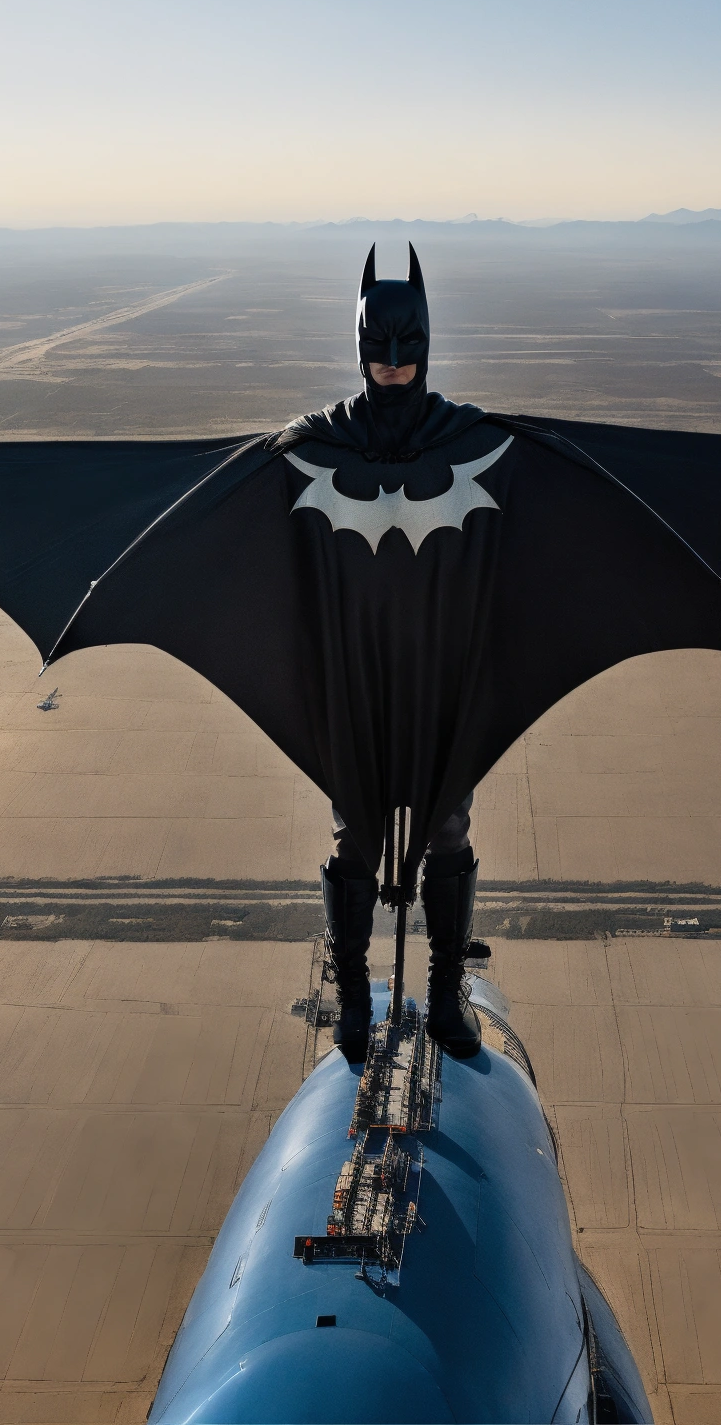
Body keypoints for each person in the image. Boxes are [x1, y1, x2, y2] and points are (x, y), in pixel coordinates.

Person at [313, 250, 484, 1065]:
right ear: (358, 349)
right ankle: (352, 995)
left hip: (441, 676)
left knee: (446, 825)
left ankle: (445, 989)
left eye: (405, 349)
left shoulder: (470, 441)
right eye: (378, 351)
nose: (391, 367)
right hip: (357, 680)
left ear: (426, 346)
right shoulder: (320, 445)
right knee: (356, 837)